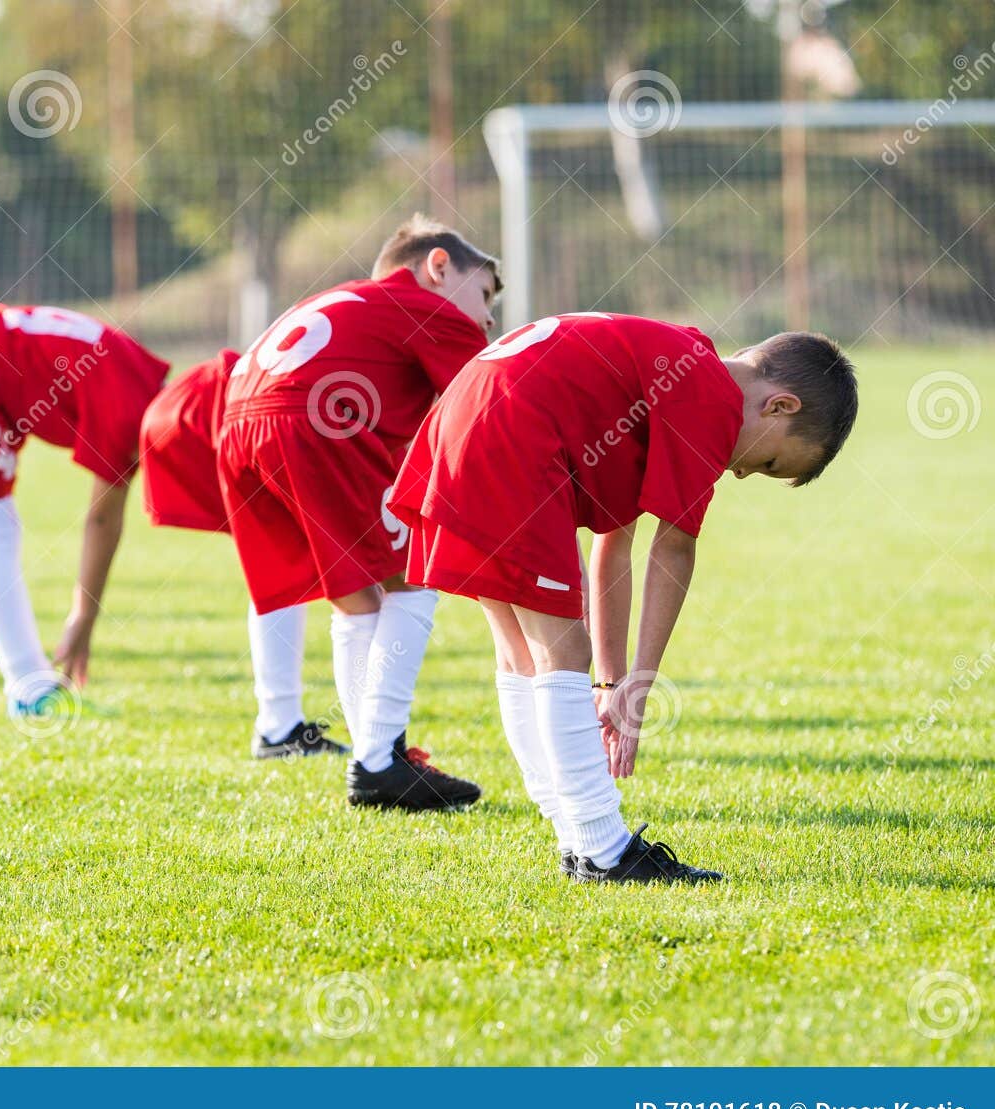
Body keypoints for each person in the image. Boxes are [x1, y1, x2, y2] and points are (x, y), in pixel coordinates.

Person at [391, 312, 858, 882]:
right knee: (561, 650)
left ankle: (575, 832)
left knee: (520, 650)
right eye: (767, 463)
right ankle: (602, 851)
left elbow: (615, 543)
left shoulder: (680, 369)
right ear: (779, 406)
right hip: (510, 435)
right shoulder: (709, 397)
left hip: (465, 421)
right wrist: (643, 678)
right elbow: (674, 549)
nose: (743, 475)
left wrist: (612, 684)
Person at [217, 214, 498, 810]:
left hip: (239, 424)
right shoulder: (430, 309)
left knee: (357, 596)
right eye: (486, 293)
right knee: (417, 571)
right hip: (311, 419)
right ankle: (377, 762)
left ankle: (378, 756)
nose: (490, 316)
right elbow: (488, 407)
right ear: (438, 267)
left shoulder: (341, 300)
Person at [0, 304, 170, 713]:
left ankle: (29, 681)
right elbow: (102, 517)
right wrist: (84, 615)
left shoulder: (143, 379)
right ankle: (27, 688)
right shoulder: (134, 415)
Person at [140, 349, 347, 759]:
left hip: (206, 399)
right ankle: (281, 726)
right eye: (484, 294)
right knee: (284, 558)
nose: (487, 315)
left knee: (287, 556)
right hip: (216, 407)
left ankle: (280, 724)